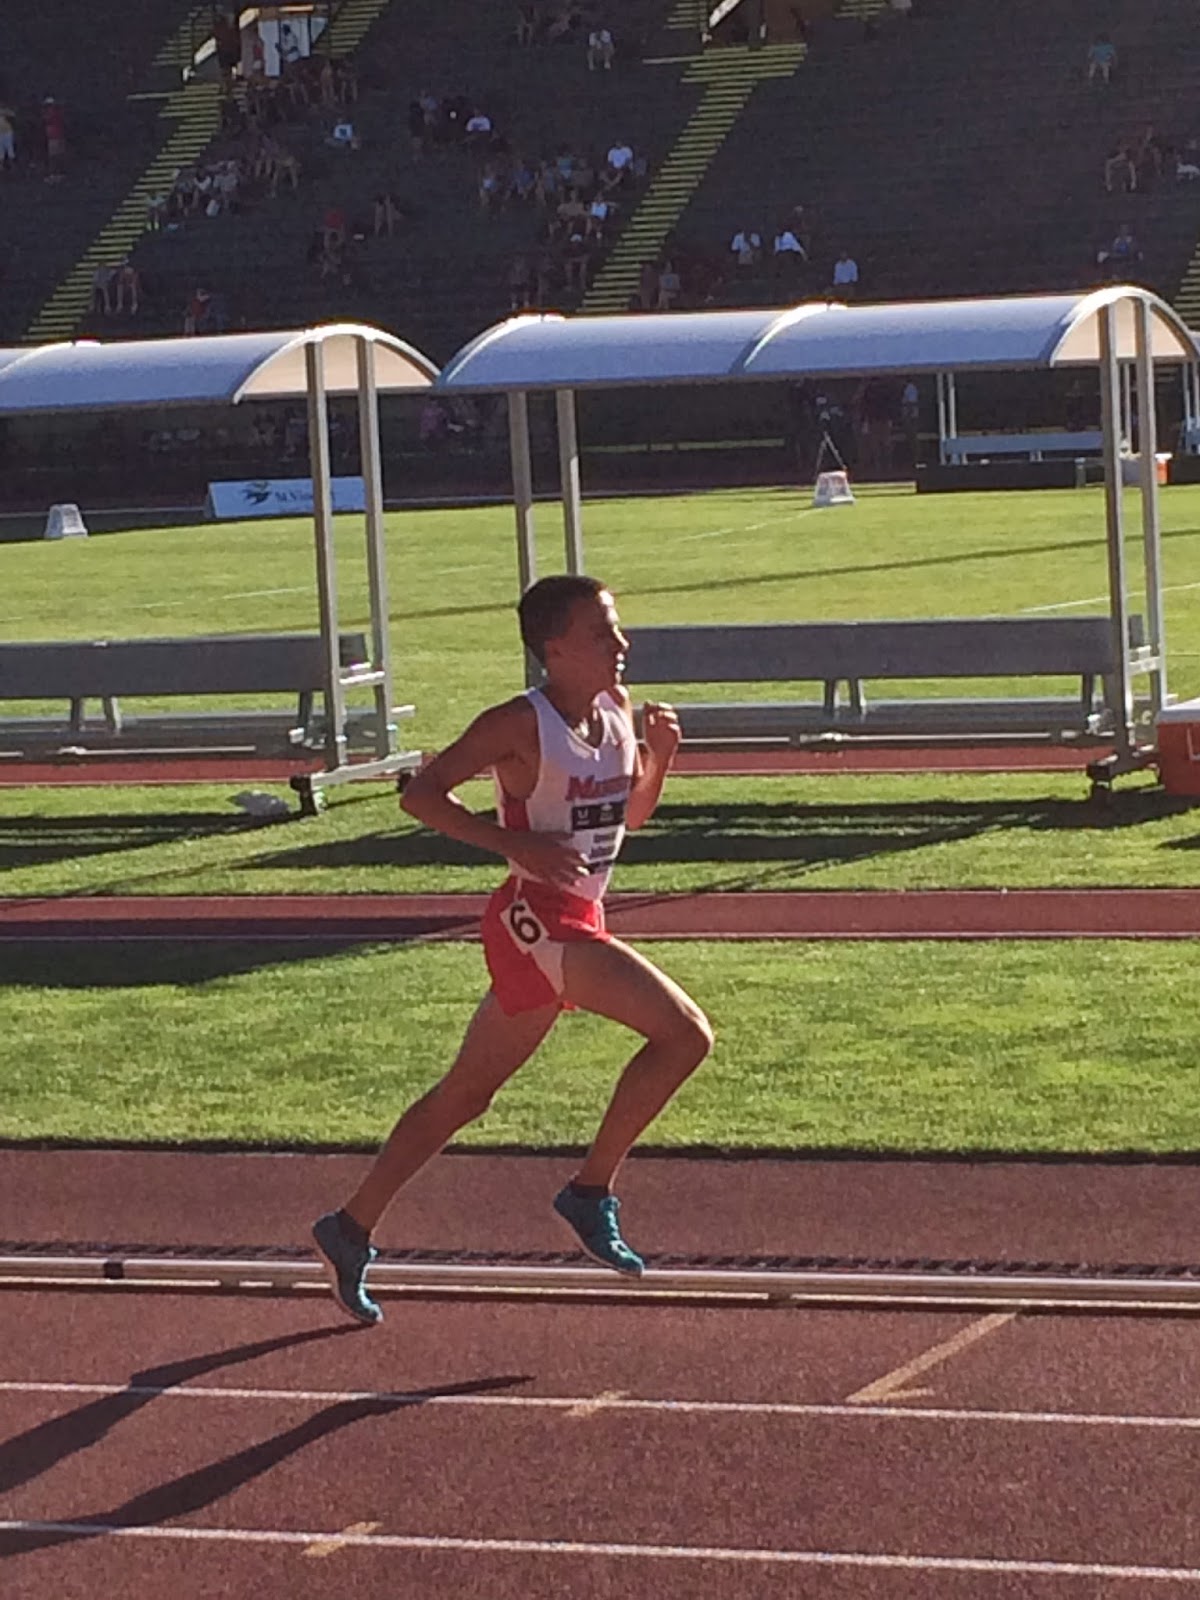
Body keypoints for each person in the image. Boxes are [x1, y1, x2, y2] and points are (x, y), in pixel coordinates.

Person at [312, 574, 714, 1324]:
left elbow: (629, 815)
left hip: (581, 919)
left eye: (618, 629)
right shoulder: (517, 725)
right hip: (535, 921)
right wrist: (510, 840)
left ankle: (348, 1227)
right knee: (685, 1034)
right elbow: (420, 795)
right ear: (555, 649)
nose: (622, 645)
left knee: (465, 1095)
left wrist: (661, 757)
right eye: (603, 633)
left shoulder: (618, 711)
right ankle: (590, 1192)